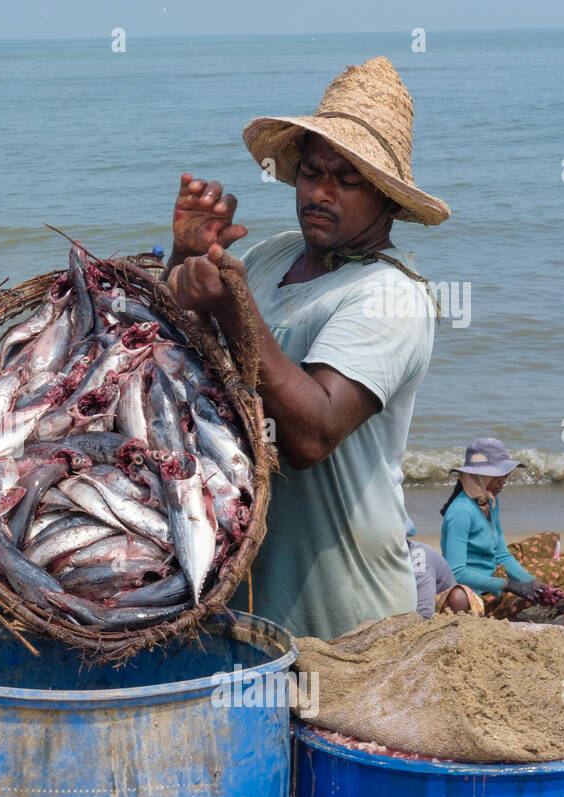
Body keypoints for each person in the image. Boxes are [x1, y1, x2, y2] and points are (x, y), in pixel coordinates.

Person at [164, 57, 449, 640]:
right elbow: (172, 349)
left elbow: (311, 435)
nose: (321, 193)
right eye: (312, 172)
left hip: (345, 611)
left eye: (347, 179)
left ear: (388, 200)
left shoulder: (391, 296)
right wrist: (183, 257)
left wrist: (233, 310)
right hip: (240, 593)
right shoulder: (270, 256)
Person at [439, 438, 564, 619]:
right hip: (476, 591)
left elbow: (502, 554)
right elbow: (457, 572)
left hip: (494, 576)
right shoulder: (461, 512)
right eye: (499, 474)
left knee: (554, 552)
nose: (504, 480)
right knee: (459, 598)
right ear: (479, 476)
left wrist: (533, 584)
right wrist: (510, 585)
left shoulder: (489, 502)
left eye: (506, 474)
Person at [406, 518, 476, 618]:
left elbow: (424, 611)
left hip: (437, 608)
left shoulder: (418, 557)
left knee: (459, 597)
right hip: (409, 605)